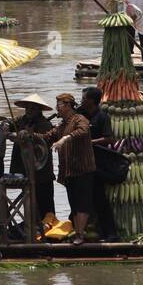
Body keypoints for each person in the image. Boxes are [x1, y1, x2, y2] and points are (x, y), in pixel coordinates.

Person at [48, 93, 95, 245]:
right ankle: (77, 233)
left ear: (68, 105)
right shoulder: (62, 125)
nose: (57, 108)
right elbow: (48, 136)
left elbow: (83, 131)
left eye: (59, 105)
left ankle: (80, 234)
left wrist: (65, 138)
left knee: (82, 203)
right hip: (69, 170)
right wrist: (27, 135)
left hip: (82, 168)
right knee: (74, 204)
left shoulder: (80, 119)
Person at [10, 94, 56, 227]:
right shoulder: (21, 120)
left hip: (41, 169)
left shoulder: (45, 124)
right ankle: (31, 226)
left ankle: (49, 228)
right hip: (23, 167)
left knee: (45, 201)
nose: (29, 111)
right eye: (27, 108)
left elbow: (45, 142)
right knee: (28, 199)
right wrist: (10, 131)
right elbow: (7, 123)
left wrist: (30, 136)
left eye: (33, 108)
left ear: (39, 110)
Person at [81, 86, 120, 241]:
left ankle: (111, 234)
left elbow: (110, 139)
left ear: (91, 101)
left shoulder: (102, 117)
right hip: (83, 163)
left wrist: (89, 142)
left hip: (97, 164)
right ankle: (93, 232)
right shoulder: (81, 115)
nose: (82, 101)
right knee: (86, 200)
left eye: (84, 98)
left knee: (100, 199)